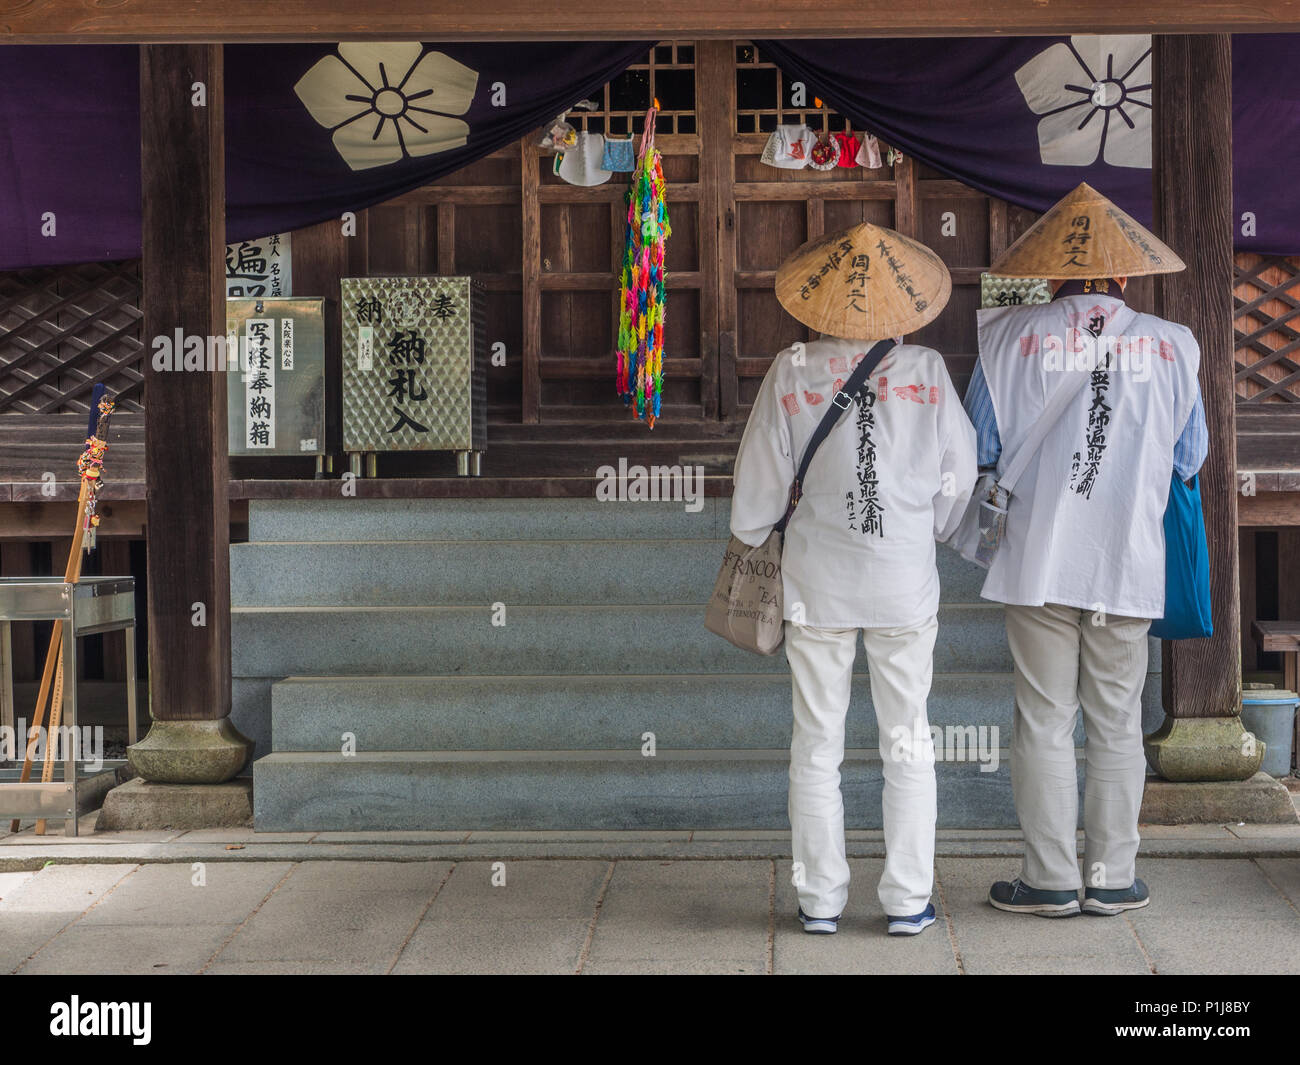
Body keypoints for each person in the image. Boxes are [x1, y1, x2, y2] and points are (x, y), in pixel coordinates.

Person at [960, 182, 1208, 917]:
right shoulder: (1174, 345)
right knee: (1116, 717)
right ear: (1126, 274)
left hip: (1037, 558)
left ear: (1051, 272)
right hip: (1126, 559)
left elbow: (981, 445)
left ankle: (1048, 879)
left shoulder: (1007, 336)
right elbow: (1189, 458)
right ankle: (1109, 876)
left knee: (1042, 716)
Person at [730, 222, 978, 937]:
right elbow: (958, 483)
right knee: (908, 738)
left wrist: (764, 527)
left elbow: (756, 500)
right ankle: (906, 900)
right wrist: (923, 523)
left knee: (816, 740)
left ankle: (819, 900)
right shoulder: (928, 371)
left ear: (821, 302)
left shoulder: (793, 368)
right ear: (901, 303)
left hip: (816, 583)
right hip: (903, 580)